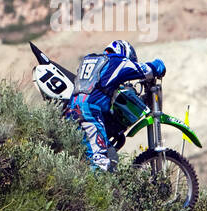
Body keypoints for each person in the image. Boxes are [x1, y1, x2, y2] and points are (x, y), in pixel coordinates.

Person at [67, 39, 165, 171]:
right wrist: (159, 64)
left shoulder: (90, 60)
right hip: (90, 112)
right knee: (100, 162)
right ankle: (97, 191)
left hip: (72, 109)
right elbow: (148, 70)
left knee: (103, 156)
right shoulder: (118, 61)